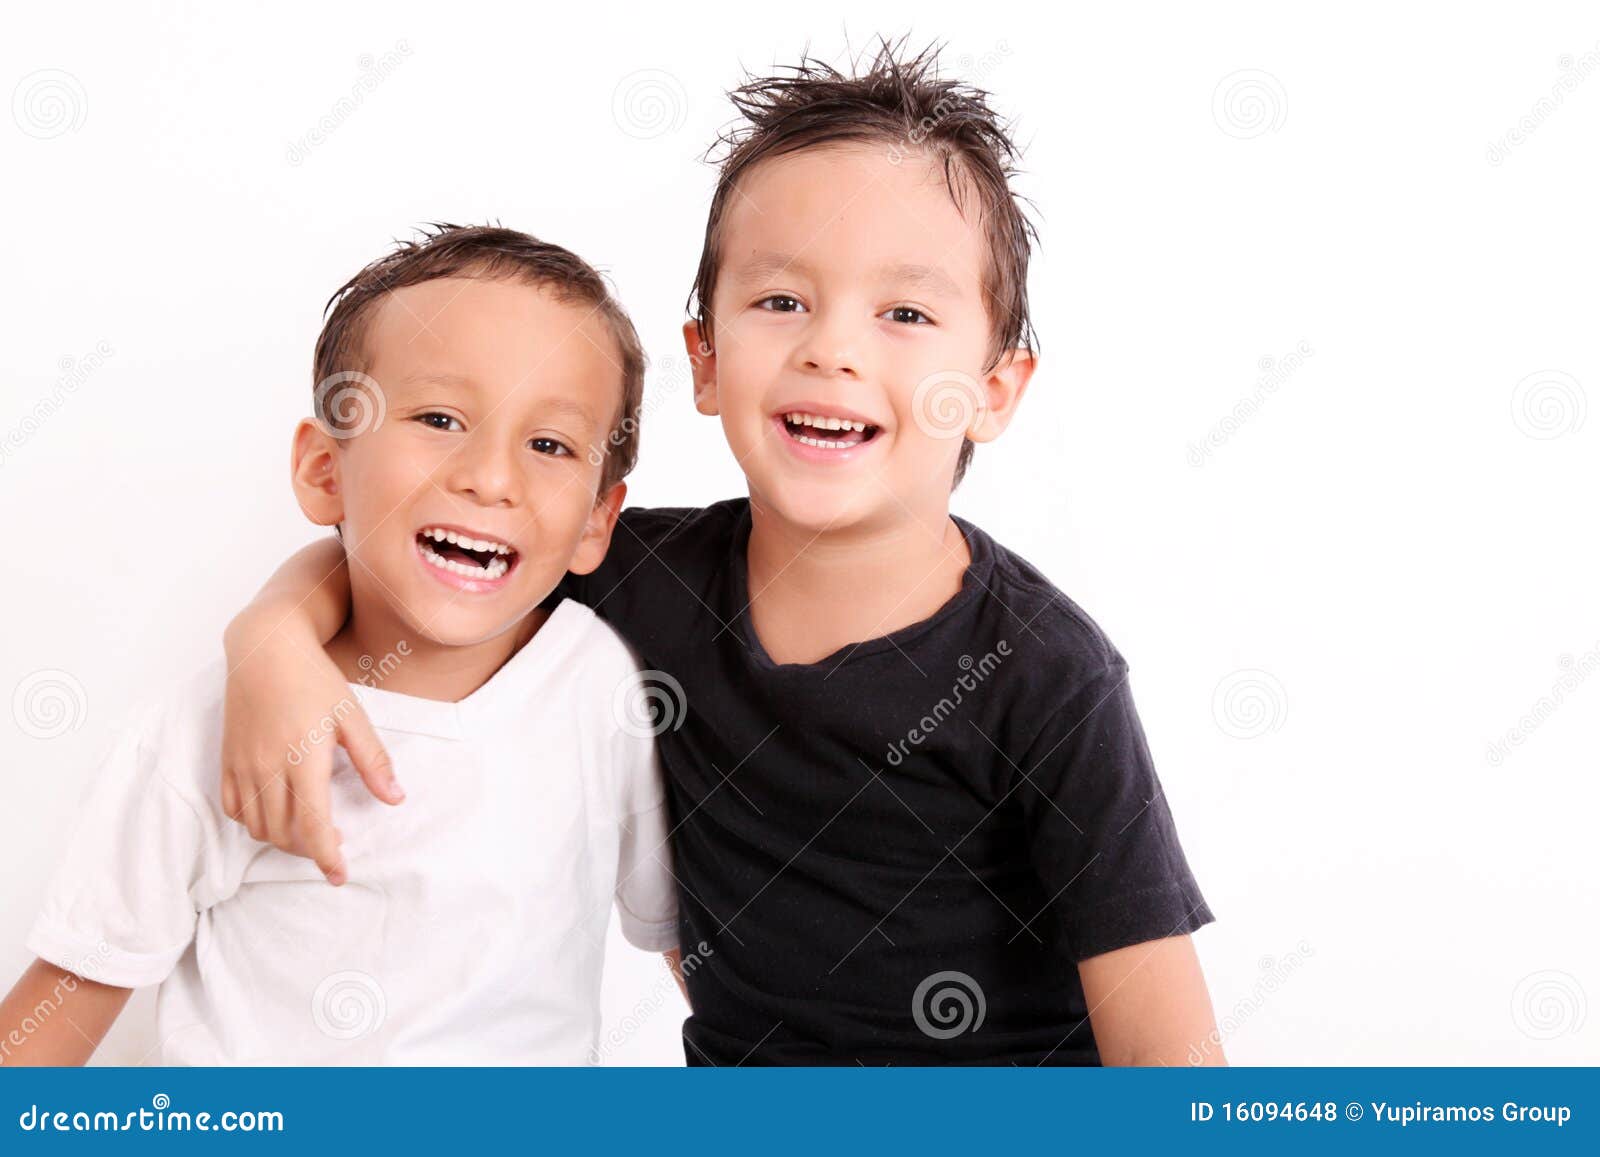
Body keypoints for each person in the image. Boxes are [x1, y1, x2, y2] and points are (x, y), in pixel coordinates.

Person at [217, 44, 1222, 1065]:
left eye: (905, 313)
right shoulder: (636, 578)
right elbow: (417, 555)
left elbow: (1172, 1065)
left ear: (996, 388)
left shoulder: (1047, 676)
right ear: (703, 359)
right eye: (781, 300)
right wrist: (270, 640)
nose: (831, 348)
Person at [0, 225, 679, 1064]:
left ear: (598, 521)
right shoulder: (215, 724)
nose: (492, 478)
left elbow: (691, 951)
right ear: (326, 469)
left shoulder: (602, 680)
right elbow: (49, 1026)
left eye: (549, 445)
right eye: (440, 417)